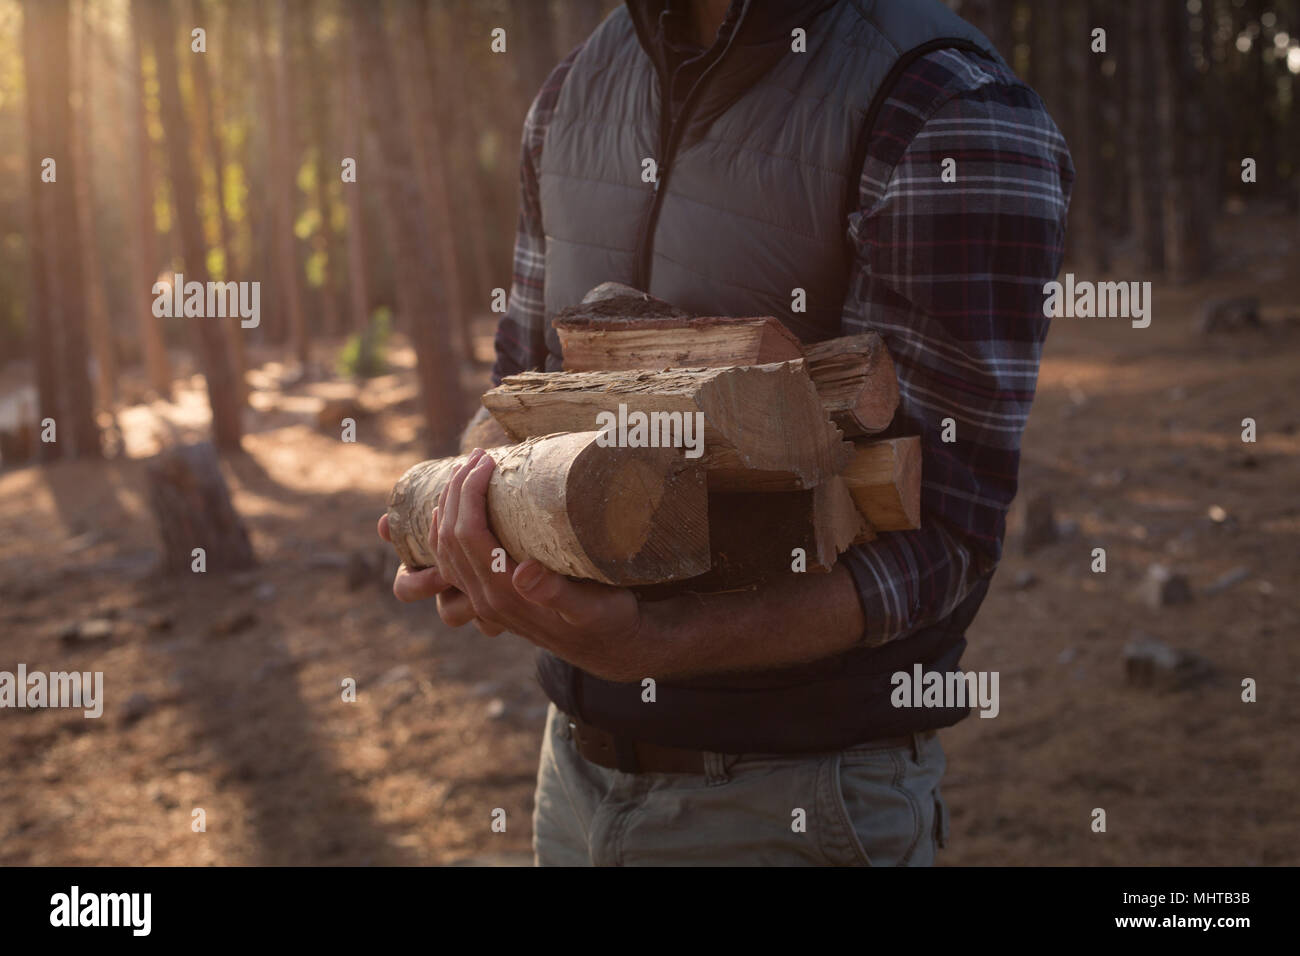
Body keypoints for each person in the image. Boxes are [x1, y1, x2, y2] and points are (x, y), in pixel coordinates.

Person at [378, 0, 1073, 866]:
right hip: (573, 778)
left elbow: (946, 540)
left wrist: (651, 646)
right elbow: (517, 394)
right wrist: (478, 530)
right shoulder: (572, 94)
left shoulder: (948, 106)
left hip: (796, 804)